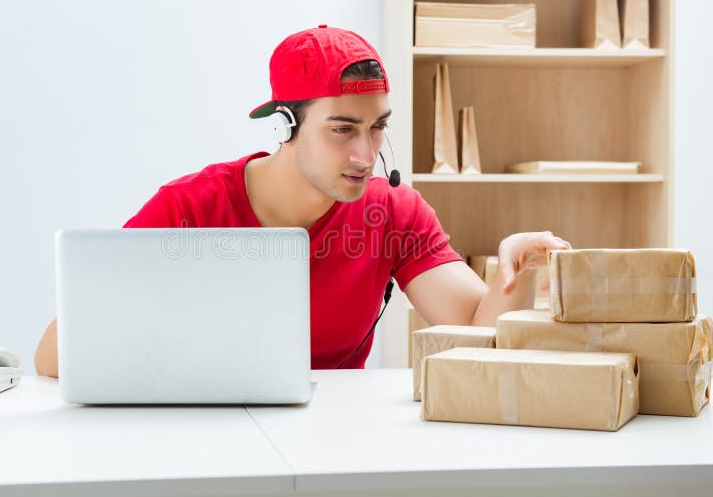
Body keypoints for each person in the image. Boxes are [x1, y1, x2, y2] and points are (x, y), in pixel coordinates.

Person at [34, 24, 570, 376]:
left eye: (377, 128)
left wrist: (519, 272)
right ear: (287, 124)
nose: (365, 153)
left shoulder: (395, 212)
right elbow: (55, 357)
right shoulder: (189, 208)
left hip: (336, 443)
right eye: (342, 130)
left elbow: (477, 346)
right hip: (202, 435)